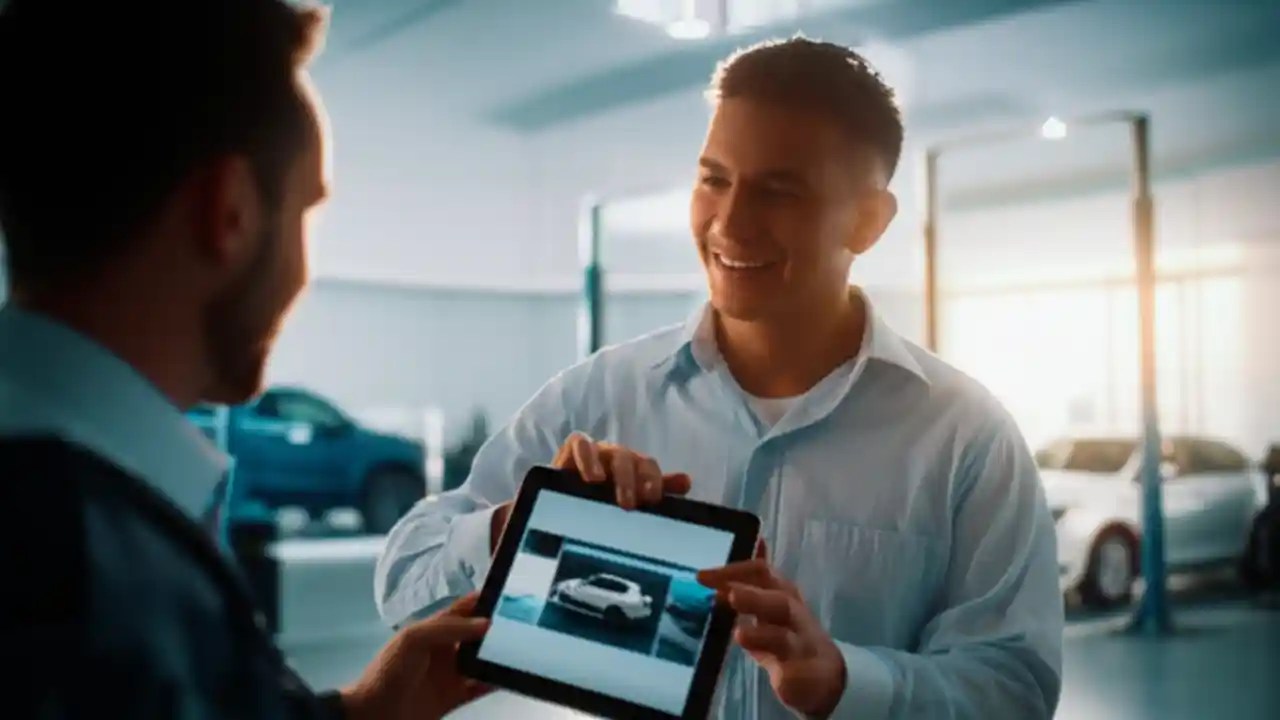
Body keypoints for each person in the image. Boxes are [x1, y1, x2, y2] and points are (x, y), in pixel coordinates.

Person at [377, 36, 1064, 719]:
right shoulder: (597, 399)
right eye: (714, 180)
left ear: (868, 221)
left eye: (779, 191)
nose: (730, 223)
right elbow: (406, 580)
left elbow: (1015, 690)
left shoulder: (965, 439)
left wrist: (841, 680)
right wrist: (526, 522)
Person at [0, 1, 489, 718]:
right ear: (227, 212)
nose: (300, 270)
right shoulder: (76, 569)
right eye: (304, 212)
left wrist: (358, 715)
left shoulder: (82, 515)